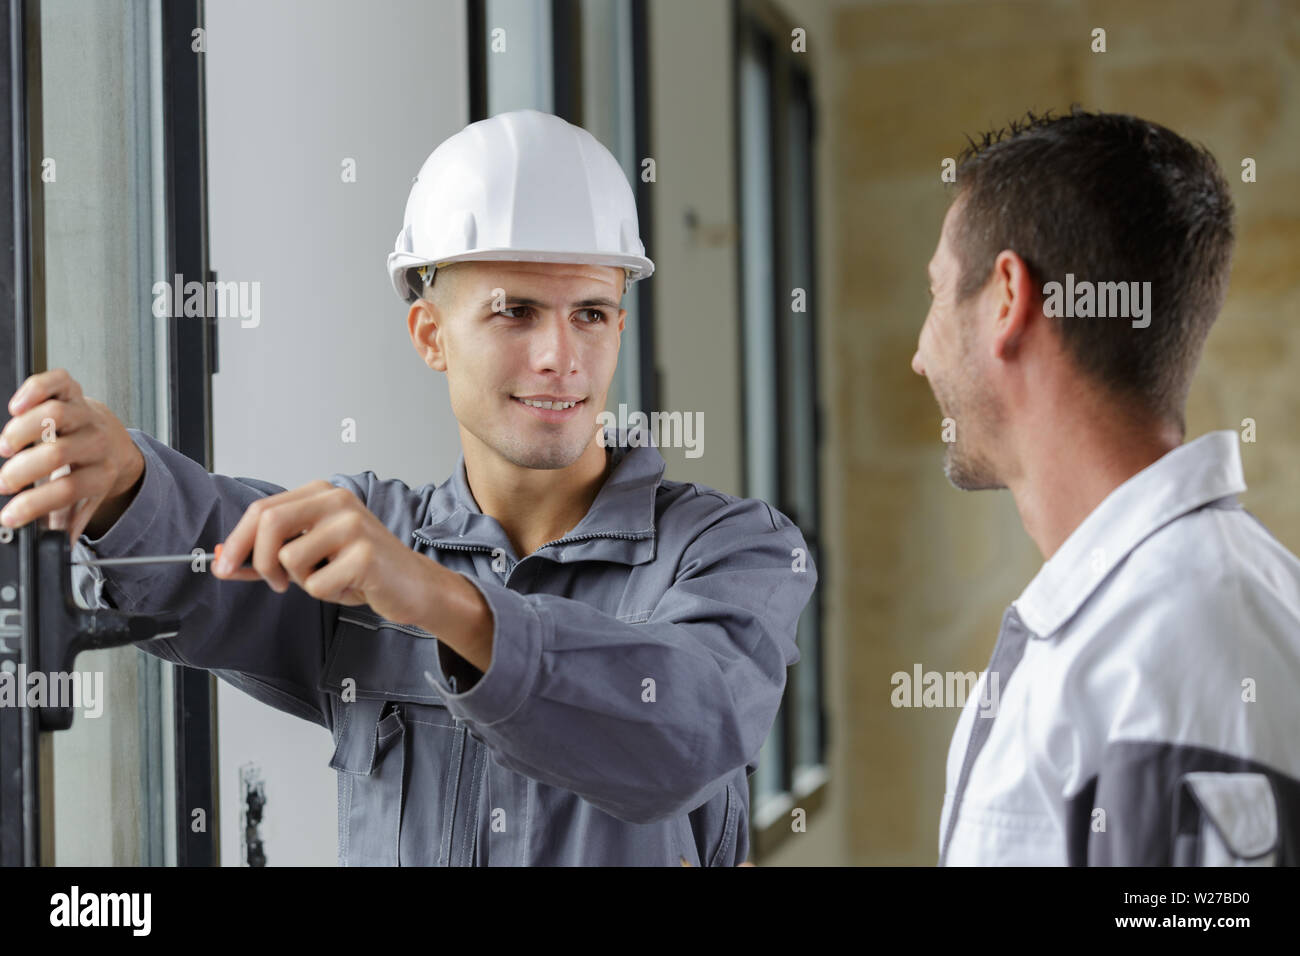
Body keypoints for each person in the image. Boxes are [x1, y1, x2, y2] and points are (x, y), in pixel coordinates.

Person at [0, 109, 816, 866]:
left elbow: (685, 731)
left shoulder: (736, 550)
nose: (560, 358)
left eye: (592, 314)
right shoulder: (372, 542)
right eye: (516, 312)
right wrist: (117, 483)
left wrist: (433, 599)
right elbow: (211, 543)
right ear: (431, 335)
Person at [913, 107, 1300, 865]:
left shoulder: (1183, 649)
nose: (920, 358)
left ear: (1006, 300)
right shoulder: (1147, 617)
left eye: (935, 294)